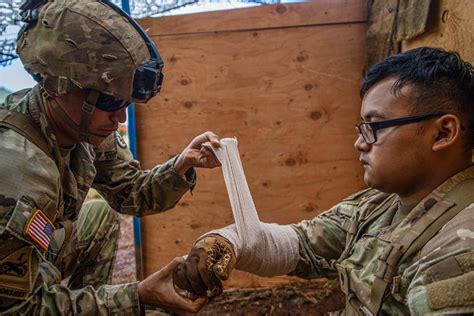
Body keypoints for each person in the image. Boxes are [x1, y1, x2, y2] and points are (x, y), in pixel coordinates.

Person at [174, 47, 474, 315]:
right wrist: (229, 241)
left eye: (374, 126)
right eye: (361, 127)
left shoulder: (460, 248)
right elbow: (300, 244)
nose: (359, 143)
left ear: (443, 133)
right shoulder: (380, 205)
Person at [0, 0, 217, 314]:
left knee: (99, 215)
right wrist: (135, 297)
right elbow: (18, 310)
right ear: (59, 87)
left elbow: (130, 193)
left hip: (25, 262)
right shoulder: (18, 171)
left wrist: (181, 165)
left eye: (125, 103)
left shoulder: (82, 128)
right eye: (111, 100)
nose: (121, 118)